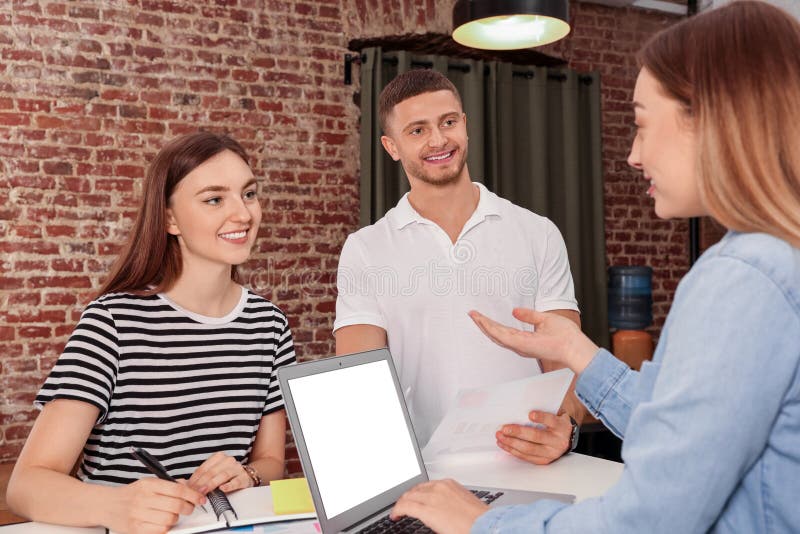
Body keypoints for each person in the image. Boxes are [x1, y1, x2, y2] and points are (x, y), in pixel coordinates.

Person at [389, 1, 800, 532]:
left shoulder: (741, 278)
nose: (632, 155)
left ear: (713, 123)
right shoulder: (777, 259)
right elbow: (687, 429)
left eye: (642, 125)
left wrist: (480, 524)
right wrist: (575, 351)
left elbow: (652, 518)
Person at [7, 132, 296, 533]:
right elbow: (26, 486)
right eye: (215, 199)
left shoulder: (270, 325)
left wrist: (246, 475)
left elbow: (270, 462)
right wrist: (117, 506)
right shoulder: (112, 323)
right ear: (170, 218)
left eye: (248, 194)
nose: (244, 214)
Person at [334, 68, 586, 465]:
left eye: (448, 122)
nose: (438, 140)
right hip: (426, 476)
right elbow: (360, 387)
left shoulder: (537, 233)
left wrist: (566, 431)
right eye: (417, 130)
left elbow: (570, 364)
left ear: (465, 126)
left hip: (533, 469)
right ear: (391, 146)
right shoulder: (365, 250)